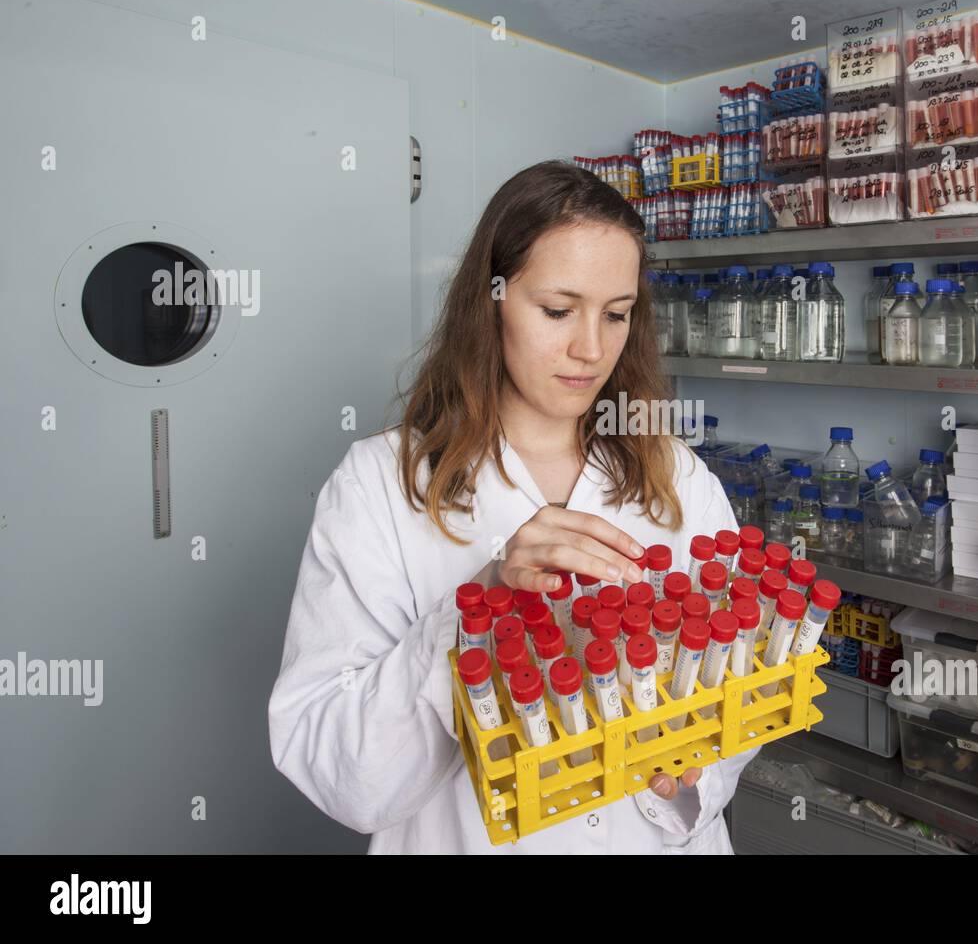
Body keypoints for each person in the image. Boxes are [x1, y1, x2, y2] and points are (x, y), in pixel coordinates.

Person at [268, 160, 750, 853]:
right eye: (558, 310)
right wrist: (478, 611)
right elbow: (339, 770)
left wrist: (697, 765)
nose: (591, 348)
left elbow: (736, 682)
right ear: (490, 301)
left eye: (616, 315)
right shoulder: (379, 483)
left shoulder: (677, 475)